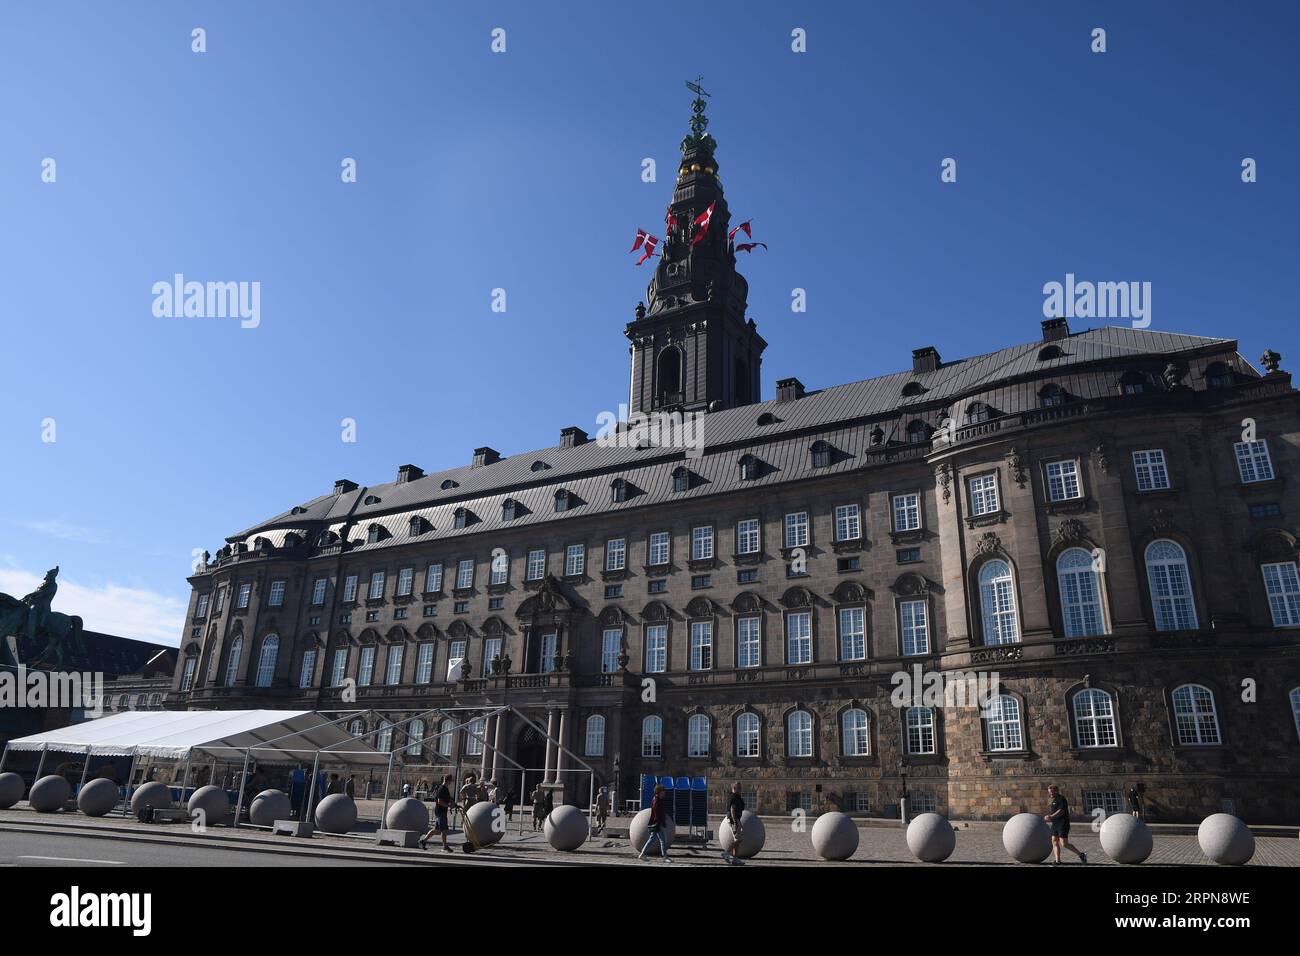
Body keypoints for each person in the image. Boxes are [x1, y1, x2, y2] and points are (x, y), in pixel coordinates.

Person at [1043, 784, 1087, 865]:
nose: (1050, 794)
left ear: (1056, 791)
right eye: (1049, 793)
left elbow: (1061, 811)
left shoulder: (1061, 799)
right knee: (1054, 842)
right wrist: (1050, 817)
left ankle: (1081, 855)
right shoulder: (1054, 800)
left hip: (1063, 824)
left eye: (1052, 792)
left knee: (1064, 844)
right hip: (1055, 824)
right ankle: (1057, 861)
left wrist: (1051, 816)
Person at [419, 774, 455, 852]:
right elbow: (440, 802)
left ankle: (423, 841)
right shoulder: (441, 789)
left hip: (441, 811)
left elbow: (448, 799)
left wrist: (454, 804)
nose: (451, 782)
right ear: (448, 780)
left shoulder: (445, 788)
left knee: (436, 829)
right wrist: (449, 806)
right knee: (444, 830)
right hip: (440, 811)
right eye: (451, 780)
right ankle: (444, 846)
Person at [637, 783, 671, 862]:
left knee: (652, 839)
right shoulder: (656, 801)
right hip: (657, 824)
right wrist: (660, 823)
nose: (664, 793)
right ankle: (665, 857)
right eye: (663, 792)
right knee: (663, 840)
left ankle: (642, 854)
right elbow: (657, 814)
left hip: (656, 823)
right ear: (659, 792)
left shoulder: (658, 800)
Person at [721, 782, 746, 865]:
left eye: (740, 788)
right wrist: (736, 822)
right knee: (738, 839)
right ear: (734, 788)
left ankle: (735, 859)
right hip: (733, 819)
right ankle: (726, 853)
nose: (740, 790)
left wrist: (738, 821)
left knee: (738, 839)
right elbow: (732, 809)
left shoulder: (736, 797)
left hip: (735, 819)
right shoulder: (734, 797)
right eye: (738, 788)